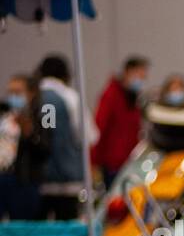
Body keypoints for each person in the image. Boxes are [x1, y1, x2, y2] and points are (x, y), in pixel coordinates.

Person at [36, 55, 95, 220]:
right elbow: (87, 136)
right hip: (67, 179)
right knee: (66, 230)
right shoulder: (70, 98)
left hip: (37, 179)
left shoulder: (34, 96)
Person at [92, 55, 149, 188]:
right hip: (112, 164)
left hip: (128, 162)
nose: (140, 81)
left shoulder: (133, 99)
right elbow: (99, 128)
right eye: (138, 76)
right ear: (127, 72)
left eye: (143, 78)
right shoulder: (111, 95)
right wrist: (93, 162)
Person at [0, 74, 50, 219]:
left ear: (31, 93)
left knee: (22, 224)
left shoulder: (45, 114)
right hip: (3, 177)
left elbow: (45, 149)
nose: (13, 96)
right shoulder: (5, 115)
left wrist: (29, 132)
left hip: (24, 181)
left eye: (18, 92)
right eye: (10, 92)